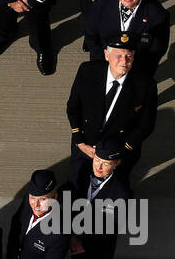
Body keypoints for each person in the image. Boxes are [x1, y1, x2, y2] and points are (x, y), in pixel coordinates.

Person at [66, 31, 159, 181]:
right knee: (77, 181)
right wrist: (79, 142)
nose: (124, 61)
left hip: (119, 151)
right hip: (86, 144)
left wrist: (122, 150)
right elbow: (73, 107)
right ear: (106, 55)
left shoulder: (145, 85)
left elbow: (146, 124)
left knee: (112, 190)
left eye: (129, 56)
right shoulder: (88, 71)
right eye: (119, 55)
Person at [64, 138, 132, 259]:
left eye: (106, 163)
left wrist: (80, 237)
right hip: (76, 230)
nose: (99, 167)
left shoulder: (121, 192)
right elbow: (69, 194)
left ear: (116, 164)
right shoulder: (82, 171)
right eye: (96, 160)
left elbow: (110, 225)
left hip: (101, 239)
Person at [83, 0, 170, 81]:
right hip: (105, 62)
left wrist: (139, 77)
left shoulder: (156, 13)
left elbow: (157, 50)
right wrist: (102, 66)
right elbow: (91, 35)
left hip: (137, 67)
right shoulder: (101, 3)